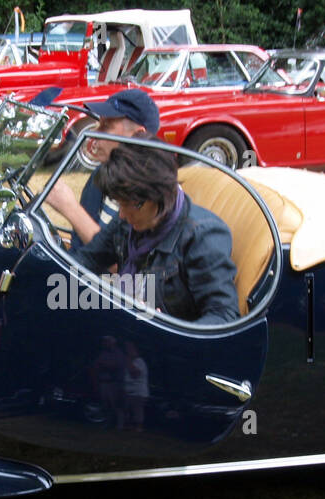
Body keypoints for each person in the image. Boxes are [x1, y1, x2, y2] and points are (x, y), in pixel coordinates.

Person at [70, 142, 239, 325]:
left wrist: (164, 327)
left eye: (129, 204)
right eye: (119, 203)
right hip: (125, 326)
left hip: (167, 347)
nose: (122, 214)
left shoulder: (202, 237)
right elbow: (88, 260)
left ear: (160, 196)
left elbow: (223, 316)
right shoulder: (129, 222)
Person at [46, 87, 160, 245]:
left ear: (137, 136)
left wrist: (69, 208)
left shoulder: (150, 191)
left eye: (106, 126)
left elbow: (120, 262)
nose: (95, 134)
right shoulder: (102, 174)